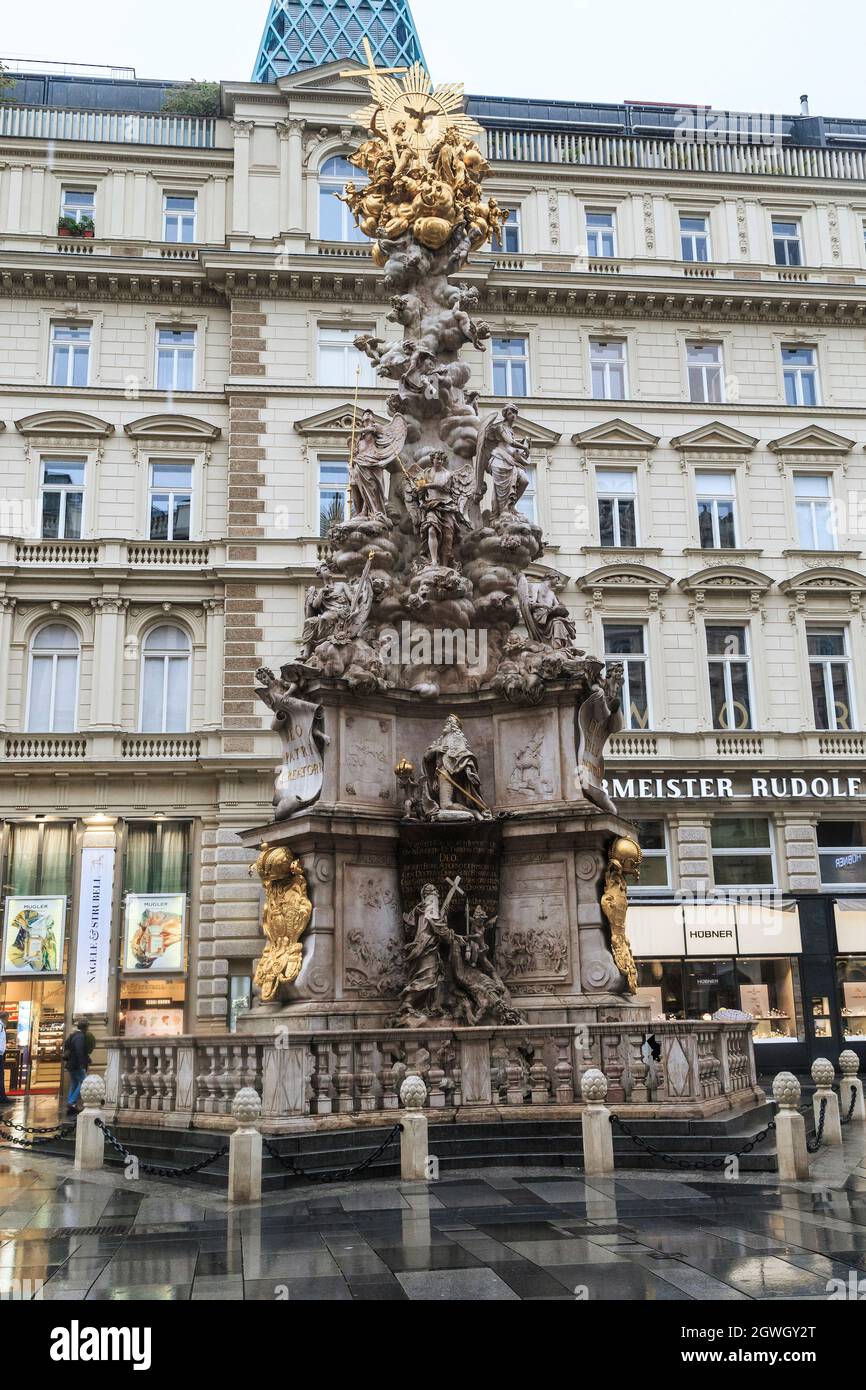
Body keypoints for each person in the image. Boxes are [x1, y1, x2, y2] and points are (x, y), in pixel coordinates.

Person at [63, 1018, 92, 1115]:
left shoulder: (73, 1034)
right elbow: (79, 1050)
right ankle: (71, 1102)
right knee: (84, 1082)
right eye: (87, 1026)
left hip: (71, 1063)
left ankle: (71, 1103)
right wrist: (83, 1063)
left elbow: (67, 1046)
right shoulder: (80, 1036)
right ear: (85, 1027)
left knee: (74, 1083)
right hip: (76, 1064)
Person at [0, 1013, 11, 1106]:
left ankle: (2, 1096)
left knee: (1, 1075)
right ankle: (2, 1097)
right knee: (0, 1076)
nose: (8, 1020)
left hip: (0, 1054)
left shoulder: (2, 1027)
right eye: (7, 1018)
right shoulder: (0, 1027)